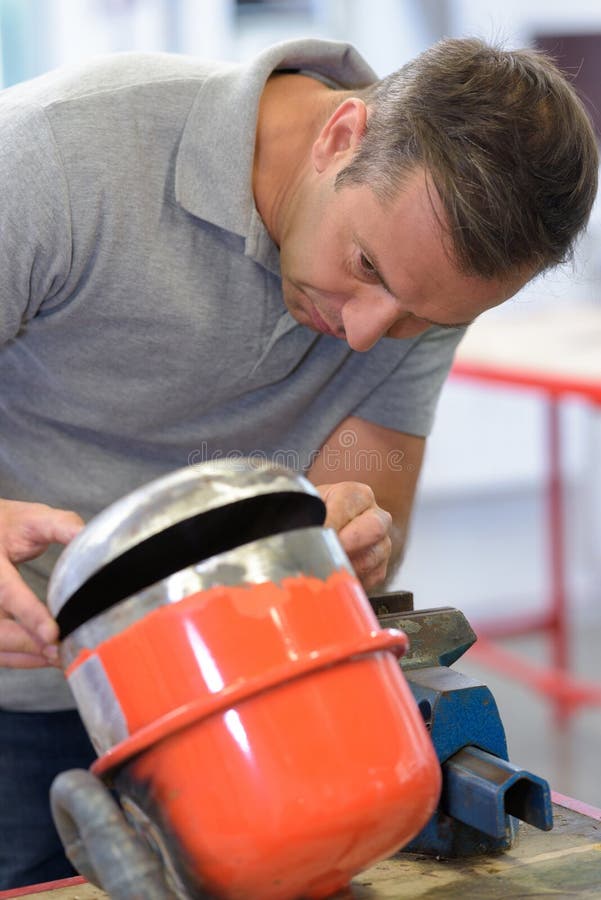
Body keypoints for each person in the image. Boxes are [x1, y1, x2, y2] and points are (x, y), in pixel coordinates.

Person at [0, 33, 597, 889]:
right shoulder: (55, 158)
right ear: (339, 135)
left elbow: (366, 465)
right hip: (18, 697)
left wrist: (347, 528)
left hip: (238, 713)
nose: (364, 333)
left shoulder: (425, 266)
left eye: (415, 319)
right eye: (364, 268)